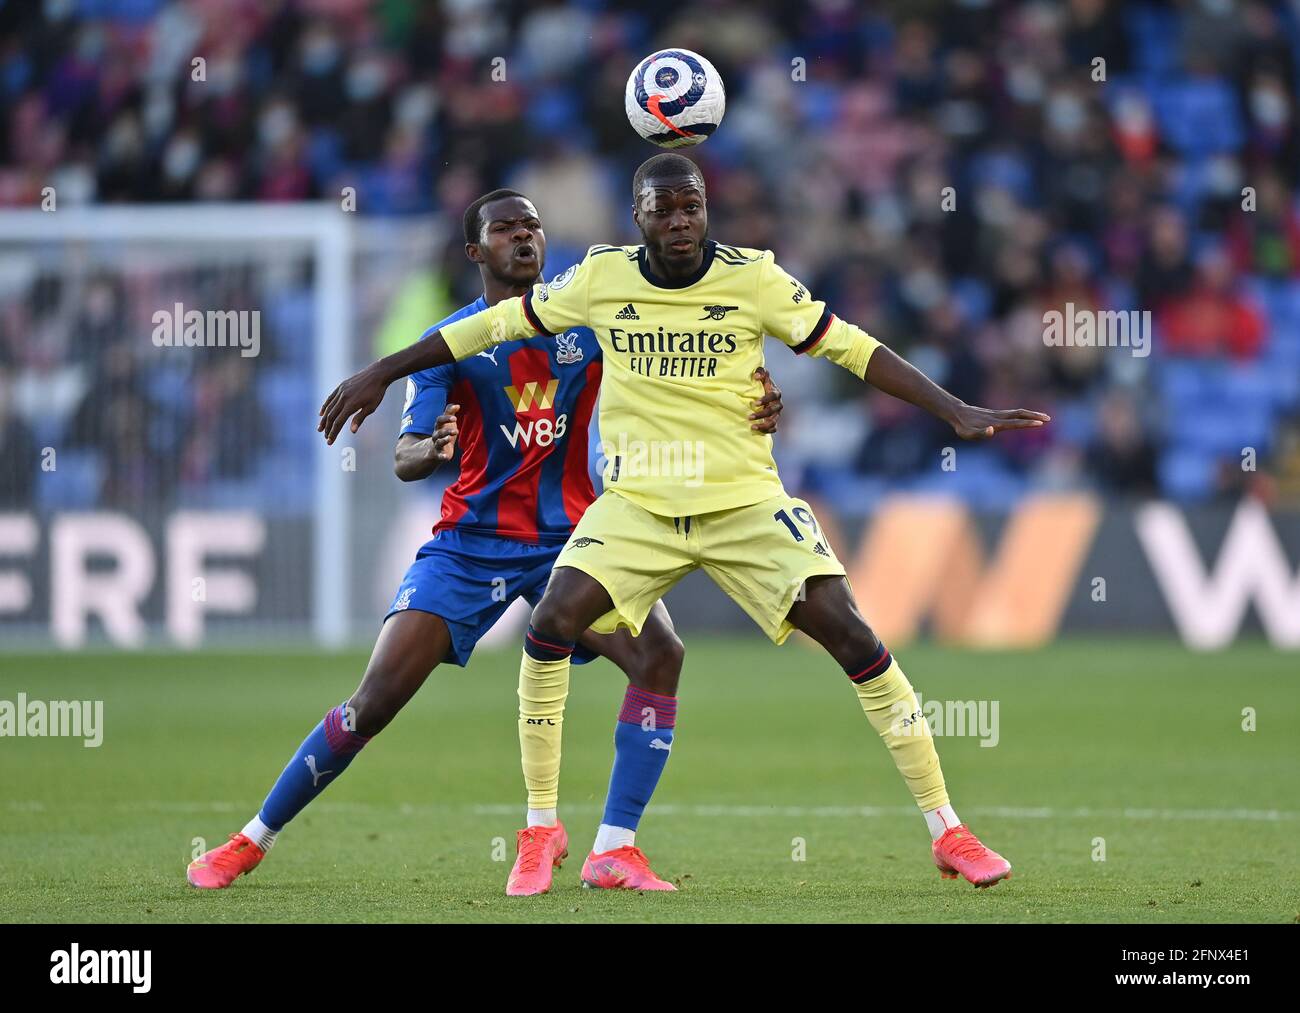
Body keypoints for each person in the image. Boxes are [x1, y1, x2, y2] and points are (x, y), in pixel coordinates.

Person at [319, 156, 1051, 890]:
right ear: (637, 217)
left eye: (691, 207)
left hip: (743, 501)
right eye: (663, 209)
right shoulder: (602, 280)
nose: (679, 221)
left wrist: (954, 408)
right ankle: (548, 830)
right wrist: (379, 370)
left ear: (707, 209)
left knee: (853, 632)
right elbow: (485, 329)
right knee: (553, 620)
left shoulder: (754, 277)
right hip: (637, 505)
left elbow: (851, 346)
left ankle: (948, 830)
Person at [187, 187, 787, 895]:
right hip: (472, 541)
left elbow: (676, 364)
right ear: (476, 251)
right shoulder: (452, 343)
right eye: (506, 229)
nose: (525, 237)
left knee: (661, 653)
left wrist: (752, 393)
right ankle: (252, 837)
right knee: (372, 701)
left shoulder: (586, 322)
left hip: (574, 540)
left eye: (532, 224)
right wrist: (430, 447)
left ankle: (614, 845)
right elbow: (407, 453)